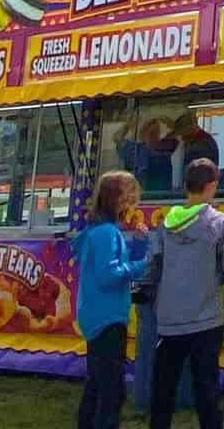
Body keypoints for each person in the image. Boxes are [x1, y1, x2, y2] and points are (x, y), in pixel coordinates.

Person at [149, 158, 224, 429]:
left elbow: (155, 262)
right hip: (206, 317)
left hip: (169, 318)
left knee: (163, 388)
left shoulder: (167, 222)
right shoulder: (218, 222)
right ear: (211, 186)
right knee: (207, 389)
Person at [72, 170, 146, 429]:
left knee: (97, 385)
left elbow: (114, 266)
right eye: (133, 201)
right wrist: (144, 265)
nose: (134, 208)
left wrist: (137, 245)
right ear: (121, 202)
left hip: (98, 315)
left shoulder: (101, 231)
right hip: (107, 318)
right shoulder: (107, 234)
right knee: (111, 393)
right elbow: (109, 275)